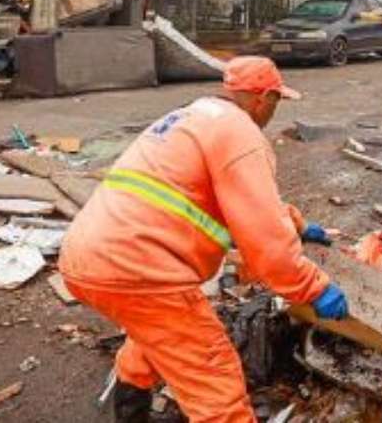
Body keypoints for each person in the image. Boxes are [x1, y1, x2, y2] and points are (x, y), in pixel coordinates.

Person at [59, 56, 347, 423]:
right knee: (215, 381)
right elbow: (266, 245)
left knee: (154, 333)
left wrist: (298, 225)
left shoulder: (193, 117)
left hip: (87, 256)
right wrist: (313, 289)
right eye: (277, 101)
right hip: (141, 268)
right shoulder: (242, 134)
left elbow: (238, 199)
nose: (275, 110)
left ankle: (131, 414)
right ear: (263, 98)